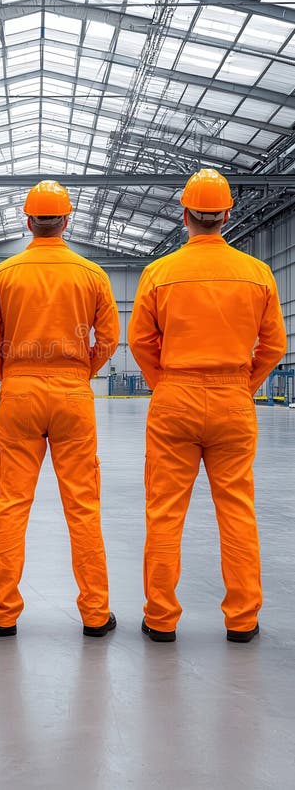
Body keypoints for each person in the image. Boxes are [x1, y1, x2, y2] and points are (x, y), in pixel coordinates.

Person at [128, 168, 286, 643]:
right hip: (233, 399)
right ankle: (242, 620)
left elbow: (140, 341)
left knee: (164, 512)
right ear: (227, 216)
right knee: (237, 508)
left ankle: (160, 618)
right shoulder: (257, 274)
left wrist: (165, 383)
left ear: (185, 216)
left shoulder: (160, 273)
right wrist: (242, 383)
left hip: (174, 397)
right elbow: (274, 345)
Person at [0, 180, 120, 637]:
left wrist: (13, 374)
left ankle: (1, 614)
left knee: (11, 505)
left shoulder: (3, 274)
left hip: (19, 391)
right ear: (67, 220)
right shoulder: (92, 275)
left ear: (27, 221)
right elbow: (110, 339)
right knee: (83, 507)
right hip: (73, 393)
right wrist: (80, 372)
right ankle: (96, 615)